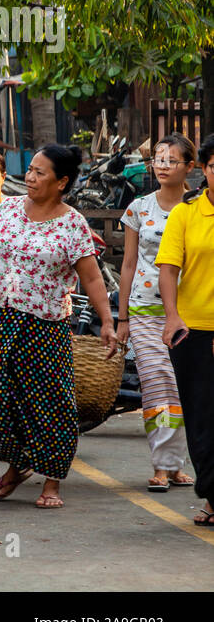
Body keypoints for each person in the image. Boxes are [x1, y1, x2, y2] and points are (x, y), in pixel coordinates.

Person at [0, 145, 118, 510]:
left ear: (61, 182)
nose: (29, 177)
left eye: (40, 172)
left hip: (45, 327)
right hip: (1, 318)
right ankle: (20, 461)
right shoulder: (9, 210)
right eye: (29, 169)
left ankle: (51, 482)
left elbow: (91, 279)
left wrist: (107, 320)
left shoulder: (72, 223)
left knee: (50, 404)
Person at [121, 135, 197, 492]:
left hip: (191, 310)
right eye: (158, 159)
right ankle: (162, 466)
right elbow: (129, 264)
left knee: (183, 388)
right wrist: (121, 319)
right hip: (144, 311)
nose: (162, 166)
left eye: (171, 160)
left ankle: (177, 464)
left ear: (190, 167)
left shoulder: (199, 208)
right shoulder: (139, 208)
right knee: (157, 384)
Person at [156, 134, 214, 527]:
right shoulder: (185, 214)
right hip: (194, 332)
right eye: (213, 164)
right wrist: (172, 317)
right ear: (206, 170)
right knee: (202, 418)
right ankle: (212, 497)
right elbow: (168, 268)